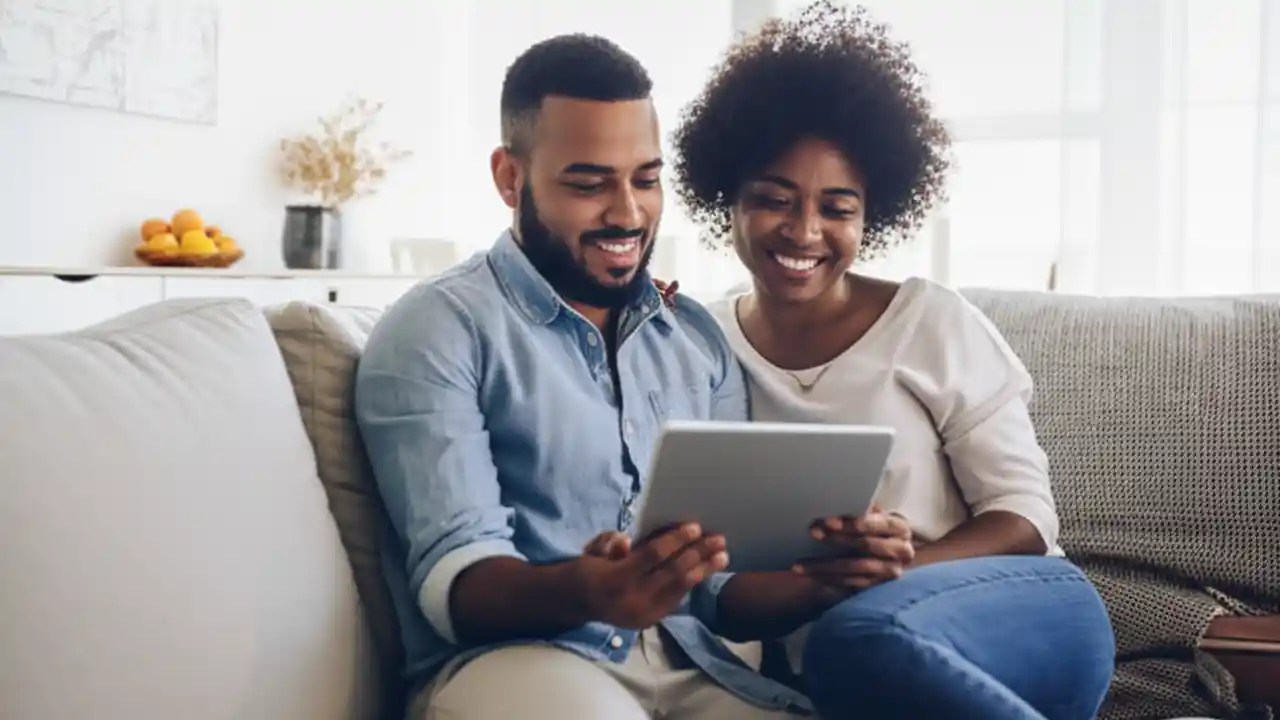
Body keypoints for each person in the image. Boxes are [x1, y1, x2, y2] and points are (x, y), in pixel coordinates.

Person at [355, 34, 915, 719]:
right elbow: (457, 584)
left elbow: (720, 591)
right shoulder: (439, 329)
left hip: (688, 661)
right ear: (510, 178)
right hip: (519, 663)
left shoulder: (692, 340)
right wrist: (588, 591)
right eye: (588, 184)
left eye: (645, 180)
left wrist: (830, 575)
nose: (627, 213)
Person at [671, 2, 1117, 719]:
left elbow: (1026, 518)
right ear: (726, 198)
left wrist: (891, 568)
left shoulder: (930, 321)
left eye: (838, 208)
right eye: (772, 200)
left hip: (1019, 613)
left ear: (871, 216)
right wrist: (828, 582)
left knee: (856, 635)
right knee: (840, 649)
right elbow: (722, 600)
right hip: (852, 665)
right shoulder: (697, 346)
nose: (805, 231)